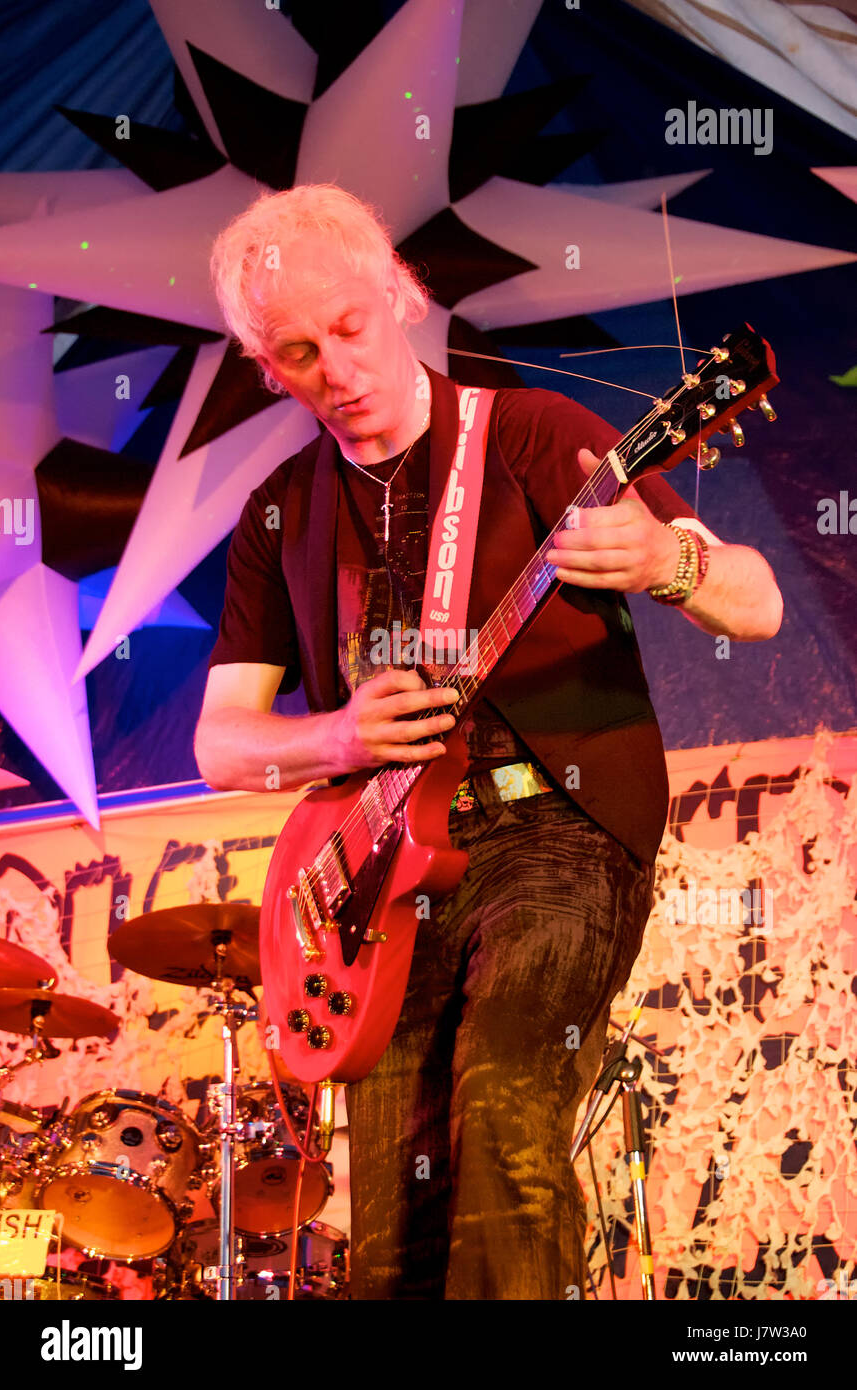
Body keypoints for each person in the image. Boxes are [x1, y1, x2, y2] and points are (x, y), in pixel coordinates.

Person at [195, 183, 782, 1300]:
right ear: (267, 368)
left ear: (402, 295)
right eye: (300, 352)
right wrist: (332, 734)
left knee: (504, 1117)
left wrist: (668, 564)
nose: (338, 372)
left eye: (354, 329)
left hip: (553, 833)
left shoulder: (535, 434)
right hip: (384, 887)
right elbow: (223, 747)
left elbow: (753, 605)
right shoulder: (280, 511)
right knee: (387, 1247)